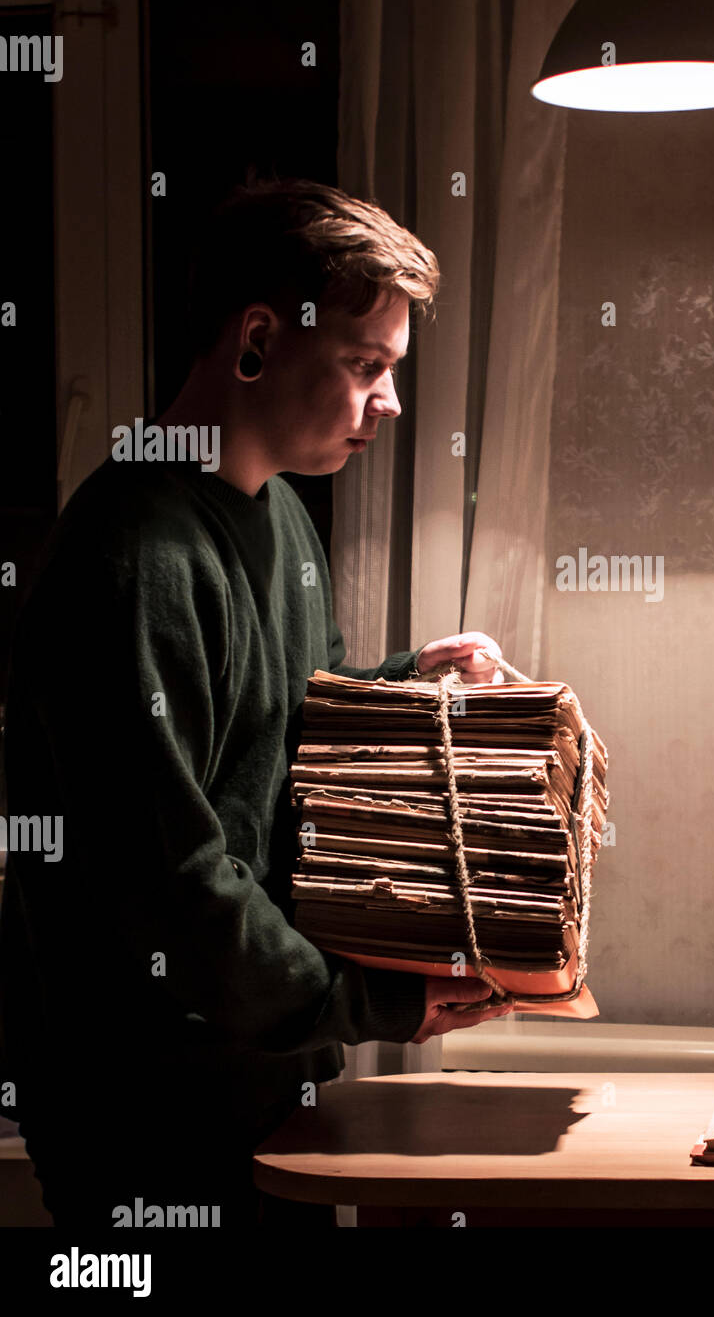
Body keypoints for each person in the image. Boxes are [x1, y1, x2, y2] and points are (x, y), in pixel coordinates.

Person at [0, 177, 512, 1228]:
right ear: (255, 341)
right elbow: (177, 877)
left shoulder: (279, 513)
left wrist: (408, 684)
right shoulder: (129, 555)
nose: (392, 402)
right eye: (366, 366)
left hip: (267, 1071)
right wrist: (374, 1003)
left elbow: (286, 731)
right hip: (145, 1110)